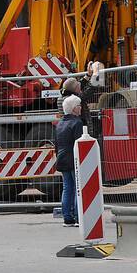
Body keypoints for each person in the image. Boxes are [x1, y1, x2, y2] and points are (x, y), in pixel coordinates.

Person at [54, 94, 85, 227]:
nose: (80, 108)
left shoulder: (60, 124)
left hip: (62, 159)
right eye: (79, 106)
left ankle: (67, 217)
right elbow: (79, 144)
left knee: (67, 188)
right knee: (78, 188)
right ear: (73, 108)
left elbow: (57, 144)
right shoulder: (77, 123)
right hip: (74, 159)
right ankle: (79, 217)